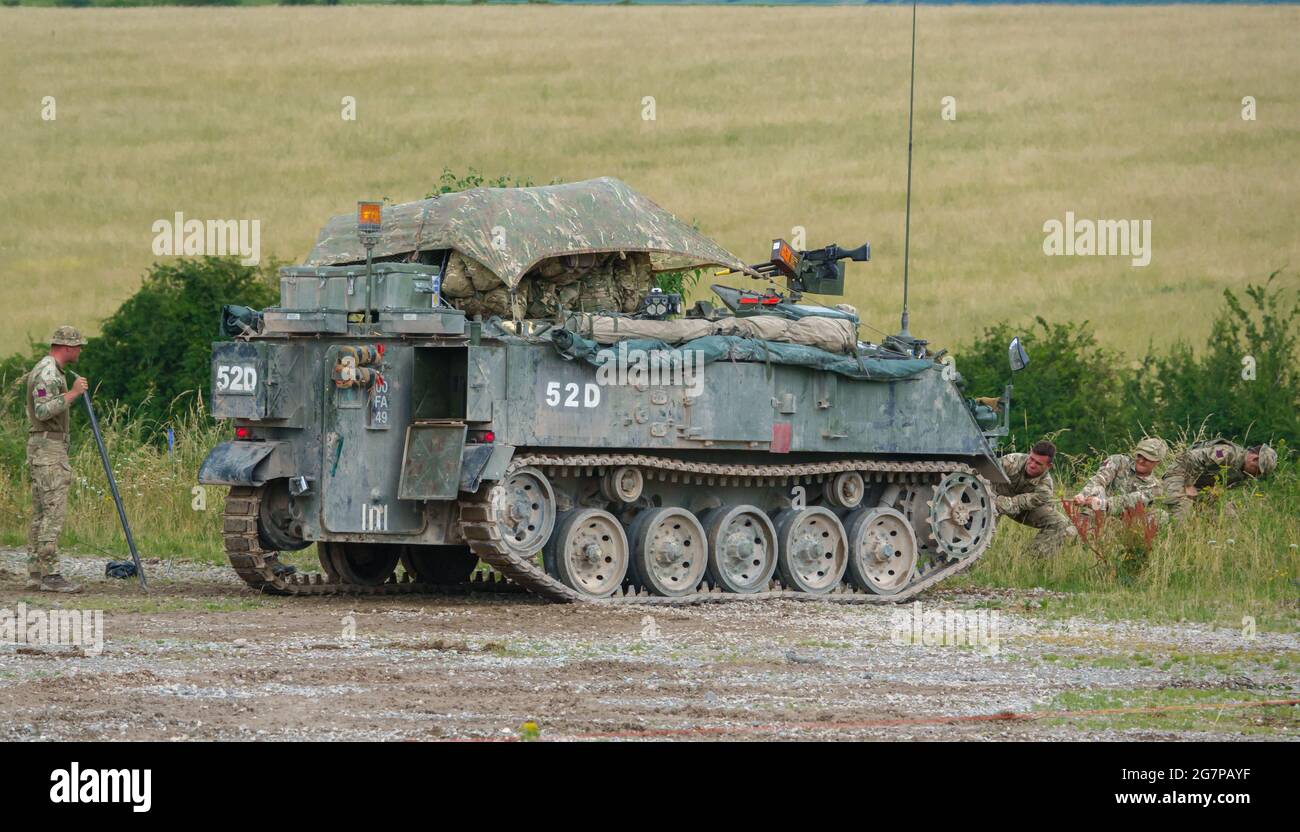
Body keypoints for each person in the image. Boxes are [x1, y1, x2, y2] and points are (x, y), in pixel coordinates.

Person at [24, 326, 88, 593]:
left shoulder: (49, 369)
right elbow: (41, 410)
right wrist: (72, 394)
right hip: (48, 448)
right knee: (53, 511)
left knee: (40, 513)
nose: (81, 351)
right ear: (67, 347)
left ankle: (35, 572)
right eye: (78, 346)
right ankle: (51, 575)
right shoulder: (48, 373)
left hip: (44, 446)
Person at [993, 439, 1076, 555]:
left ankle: (1032, 558)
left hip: (1020, 510)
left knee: (1060, 523)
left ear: (1049, 466)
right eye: (1031, 459)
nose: (1032, 465)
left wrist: (998, 502)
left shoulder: (1045, 489)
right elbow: (982, 478)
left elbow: (1014, 505)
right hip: (991, 499)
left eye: (1038, 463)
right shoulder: (1011, 461)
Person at [1160, 439, 1278, 520]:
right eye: (1257, 470)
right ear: (1254, 458)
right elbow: (1189, 458)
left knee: (1227, 514)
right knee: (1182, 509)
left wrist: (1214, 493)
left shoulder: (1243, 472)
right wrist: (1188, 484)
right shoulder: (1226, 453)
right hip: (1179, 474)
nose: (1256, 475)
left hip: (1200, 486)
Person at [1073, 437, 1168, 515]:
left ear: (1157, 462)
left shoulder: (1155, 487)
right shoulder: (1118, 461)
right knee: (1098, 488)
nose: (1141, 460)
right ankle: (1085, 522)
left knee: (1161, 515)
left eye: (1147, 459)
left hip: (1127, 521)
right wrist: (1083, 495)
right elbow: (1100, 479)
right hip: (1098, 512)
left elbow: (1131, 501)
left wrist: (1104, 504)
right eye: (1139, 455)